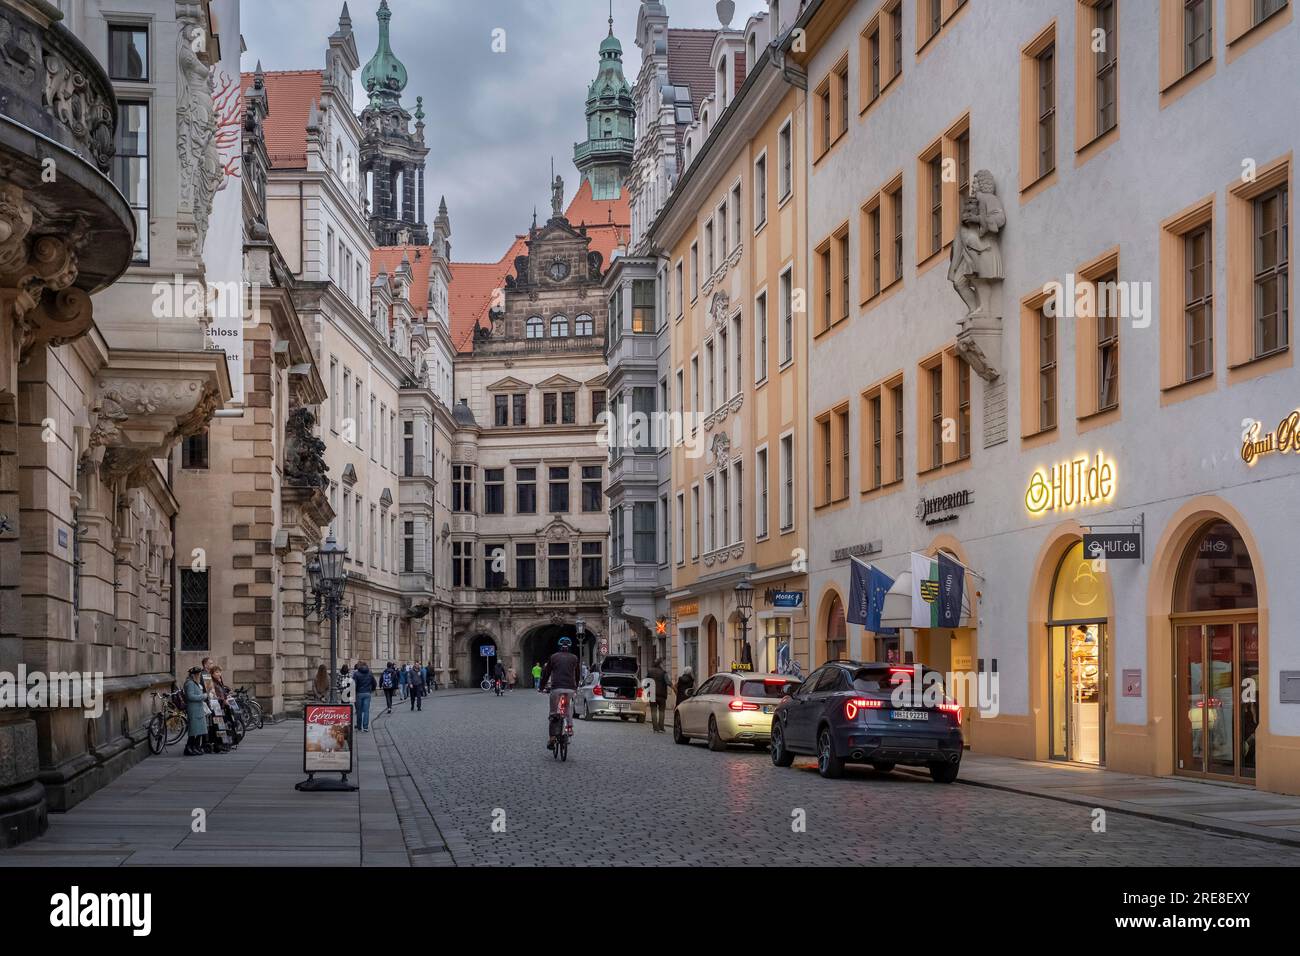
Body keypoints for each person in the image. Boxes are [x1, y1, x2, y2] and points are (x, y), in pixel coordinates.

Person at [540, 636, 581, 750]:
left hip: (556, 688)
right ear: (570, 647)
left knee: (553, 713)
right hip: (570, 688)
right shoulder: (574, 658)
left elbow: (547, 673)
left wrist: (542, 686)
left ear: (559, 647)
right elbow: (577, 674)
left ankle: (552, 739)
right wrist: (576, 686)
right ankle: (569, 727)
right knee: (567, 708)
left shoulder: (553, 657)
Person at [183, 666, 208, 756]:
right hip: (193, 709)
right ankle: (189, 747)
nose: (199, 676)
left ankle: (196, 746)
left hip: (199, 709)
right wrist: (203, 696)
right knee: (194, 730)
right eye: (198, 674)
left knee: (199, 730)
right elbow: (190, 696)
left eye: (199, 674)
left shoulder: (195, 683)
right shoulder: (189, 683)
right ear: (193, 675)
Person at [647, 658, 670, 734]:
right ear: (660, 664)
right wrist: (674, 688)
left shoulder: (650, 671)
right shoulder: (663, 672)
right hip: (661, 695)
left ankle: (655, 728)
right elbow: (668, 682)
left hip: (653, 694)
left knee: (653, 711)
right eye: (662, 663)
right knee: (661, 711)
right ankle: (661, 727)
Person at [352, 660, 377, 732]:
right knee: (366, 711)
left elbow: (354, 684)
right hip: (367, 693)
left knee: (359, 711)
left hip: (359, 693)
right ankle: (365, 727)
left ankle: (359, 726)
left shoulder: (356, 674)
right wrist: (372, 689)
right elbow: (374, 683)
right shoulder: (370, 673)